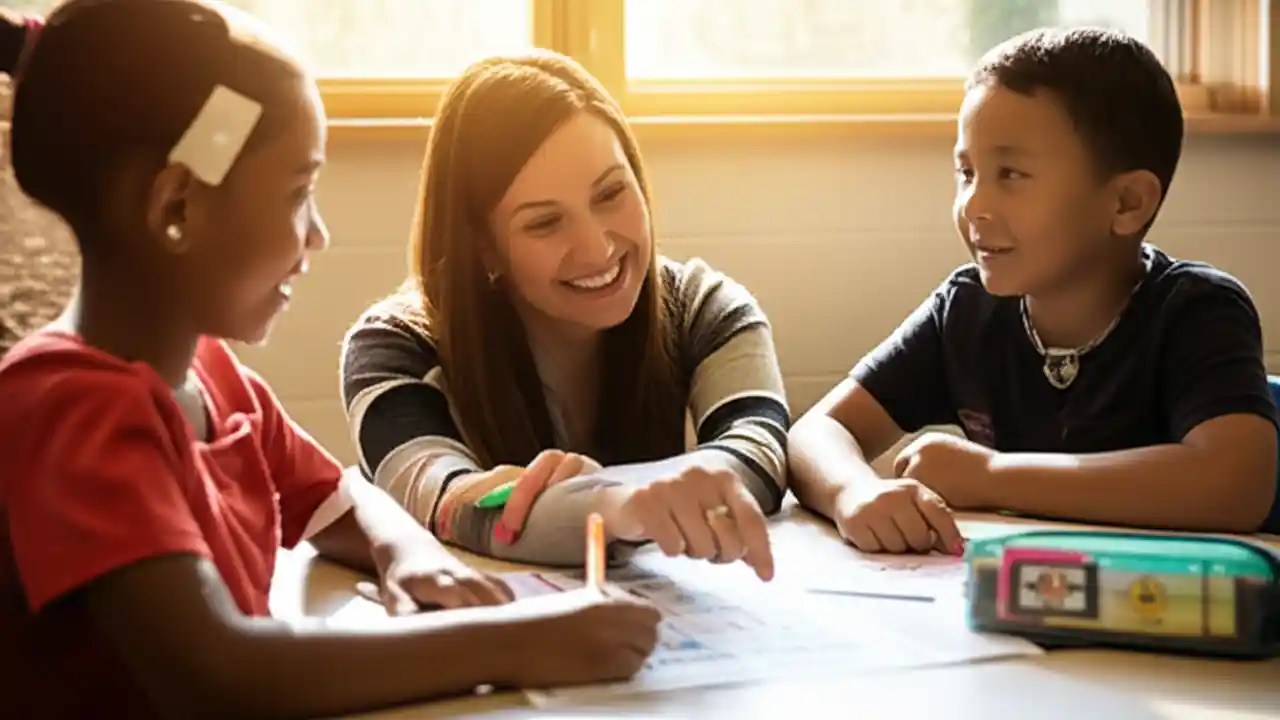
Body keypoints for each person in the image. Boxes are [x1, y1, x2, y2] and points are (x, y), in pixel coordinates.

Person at [0, 3, 658, 717]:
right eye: (297, 194)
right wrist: (516, 642)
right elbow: (218, 672)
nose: (317, 236)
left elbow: (338, 500)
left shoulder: (214, 378)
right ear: (177, 206)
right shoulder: (70, 408)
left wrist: (409, 555)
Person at [788, 27, 1279, 556]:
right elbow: (816, 430)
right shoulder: (966, 311)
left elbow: (1234, 486)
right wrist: (854, 491)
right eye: (966, 172)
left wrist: (993, 475)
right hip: (1026, 603)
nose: (974, 205)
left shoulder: (1196, 311)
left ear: (1126, 203)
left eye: (1011, 174)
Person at [342, 51, 788, 577]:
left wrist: (610, 501)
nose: (597, 248)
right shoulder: (391, 349)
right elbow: (449, 503)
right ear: (483, 246)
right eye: (545, 223)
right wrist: (618, 505)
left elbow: (757, 458)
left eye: (611, 193)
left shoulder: (706, 307)